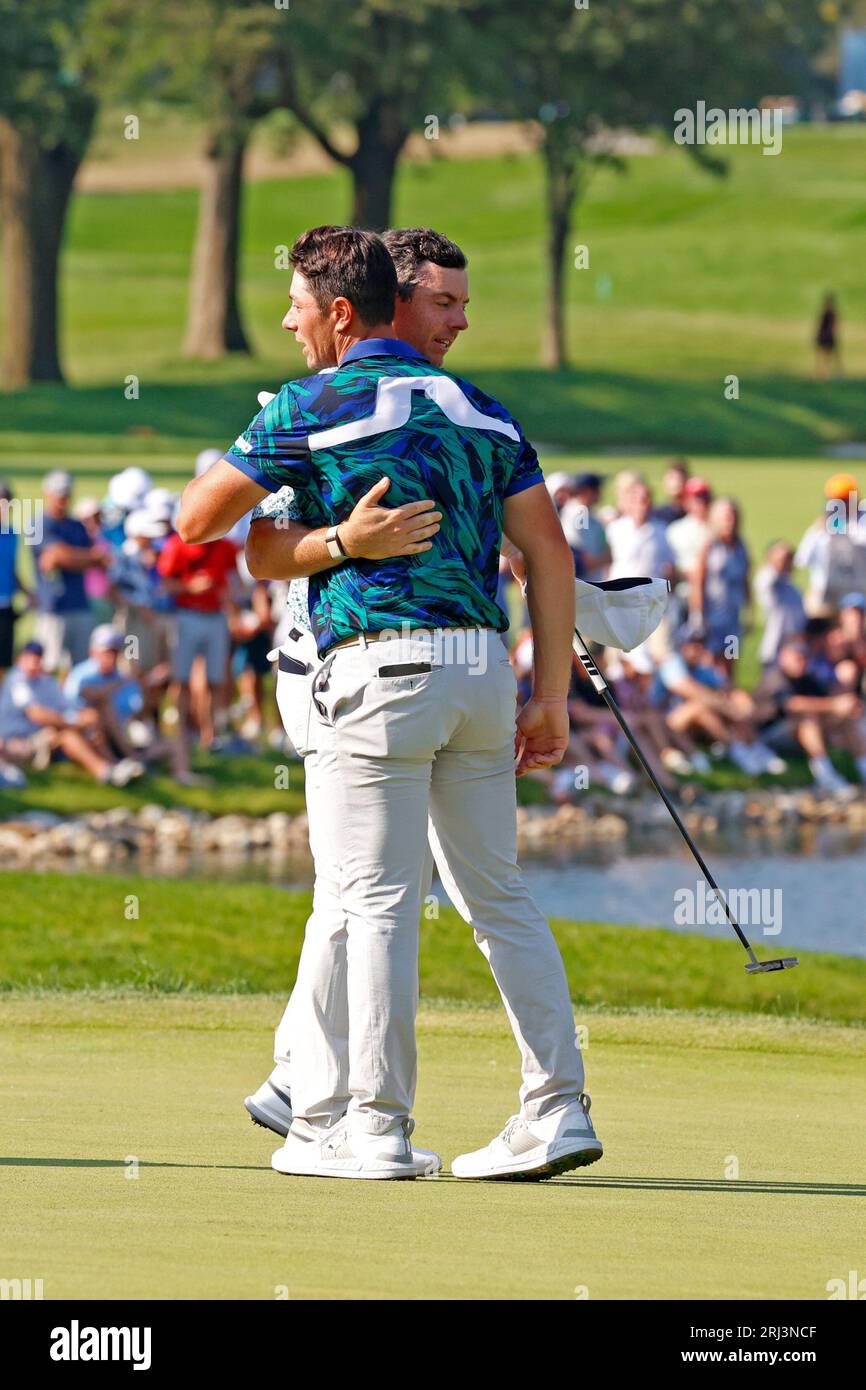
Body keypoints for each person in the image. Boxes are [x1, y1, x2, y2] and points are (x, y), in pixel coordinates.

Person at [179, 224, 602, 1183]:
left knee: (372, 901)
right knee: (498, 896)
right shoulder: (485, 411)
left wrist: (337, 543)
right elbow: (548, 556)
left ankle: (373, 1127)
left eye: (295, 306)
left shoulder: (306, 405)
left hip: (377, 677)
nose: (287, 323)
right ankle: (557, 1108)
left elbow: (197, 520)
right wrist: (550, 699)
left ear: (337, 311)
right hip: (484, 677)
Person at [156, 520, 238, 780]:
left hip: (215, 616)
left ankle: (209, 734)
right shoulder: (177, 545)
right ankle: (179, 729)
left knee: (215, 679)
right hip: (187, 614)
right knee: (181, 679)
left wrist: (233, 608)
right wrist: (191, 587)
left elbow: (233, 583)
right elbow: (165, 584)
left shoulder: (225, 547)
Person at [0, 640, 143, 787]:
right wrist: (74, 722)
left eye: (36, 658)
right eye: (29, 657)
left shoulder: (46, 682)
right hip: (18, 742)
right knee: (68, 736)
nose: (33, 663)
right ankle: (106, 772)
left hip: (43, 737)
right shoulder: (16, 680)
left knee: (89, 723)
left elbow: (67, 707)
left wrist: (83, 717)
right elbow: (36, 714)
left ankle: (116, 764)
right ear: (20, 659)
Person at [756, 636, 866, 792]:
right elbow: (793, 705)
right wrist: (834, 705)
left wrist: (846, 707)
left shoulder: (806, 678)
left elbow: (826, 700)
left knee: (846, 719)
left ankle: (863, 767)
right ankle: (825, 775)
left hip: (804, 735)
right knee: (808, 720)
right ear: (783, 656)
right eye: (797, 657)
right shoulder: (774, 676)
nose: (801, 661)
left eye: (804, 657)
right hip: (769, 737)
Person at [32, 470, 103, 671]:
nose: (63, 498)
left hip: (80, 604)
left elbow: (98, 559)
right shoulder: (37, 524)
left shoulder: (77, 525)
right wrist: (85, 557)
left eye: (66, 493)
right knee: (50, 666)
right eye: (58, 493)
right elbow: (54, 557)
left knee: (82, 667)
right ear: (47, 493)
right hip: (53, 607)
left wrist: (68, 556)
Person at [795, 473, 866, 615]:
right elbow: (801, 559)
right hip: (826, 593)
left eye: (844, 501)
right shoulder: (822, 527)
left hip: (859, 593)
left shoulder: (861, 520)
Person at [692, 497, 750, 663]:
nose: (730, 522)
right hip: (713, 617)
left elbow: (745, 577)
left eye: (732, 517)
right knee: (710, 661)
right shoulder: (709, 545)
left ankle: (729, 689)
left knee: (731, 658)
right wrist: (698, 615)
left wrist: (748, 609)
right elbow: (698, 582)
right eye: (726, 518)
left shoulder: (740, 546)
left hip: (733, 618)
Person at [606, 479, 675, 583]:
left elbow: (670, 564)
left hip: (649, 592)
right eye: (637, 501)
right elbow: (606, 561)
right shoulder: (615, 528)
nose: (642, 506)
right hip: (620, 591)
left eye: (645, 500)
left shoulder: (661, 529)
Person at [754, 541, 806, 667]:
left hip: (794, 652)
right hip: (774, 651)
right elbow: (764, 580)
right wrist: (777, 562)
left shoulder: (794, 590)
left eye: (789, 558)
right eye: (783, 558)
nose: (786, 562)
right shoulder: (769, 583)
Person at [653, 458, 691, 526]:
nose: (676, 483)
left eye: (679, 478)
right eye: (671, 478)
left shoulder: (692, 512)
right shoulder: (659, 513)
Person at [814, 293, 841, 381]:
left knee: (828, 356)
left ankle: (826, 373)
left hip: (828, 336)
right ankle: (821, 373)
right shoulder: (826, 313)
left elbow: (835, 325)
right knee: (823, 355)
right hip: (825, 336)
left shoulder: (830, 313)